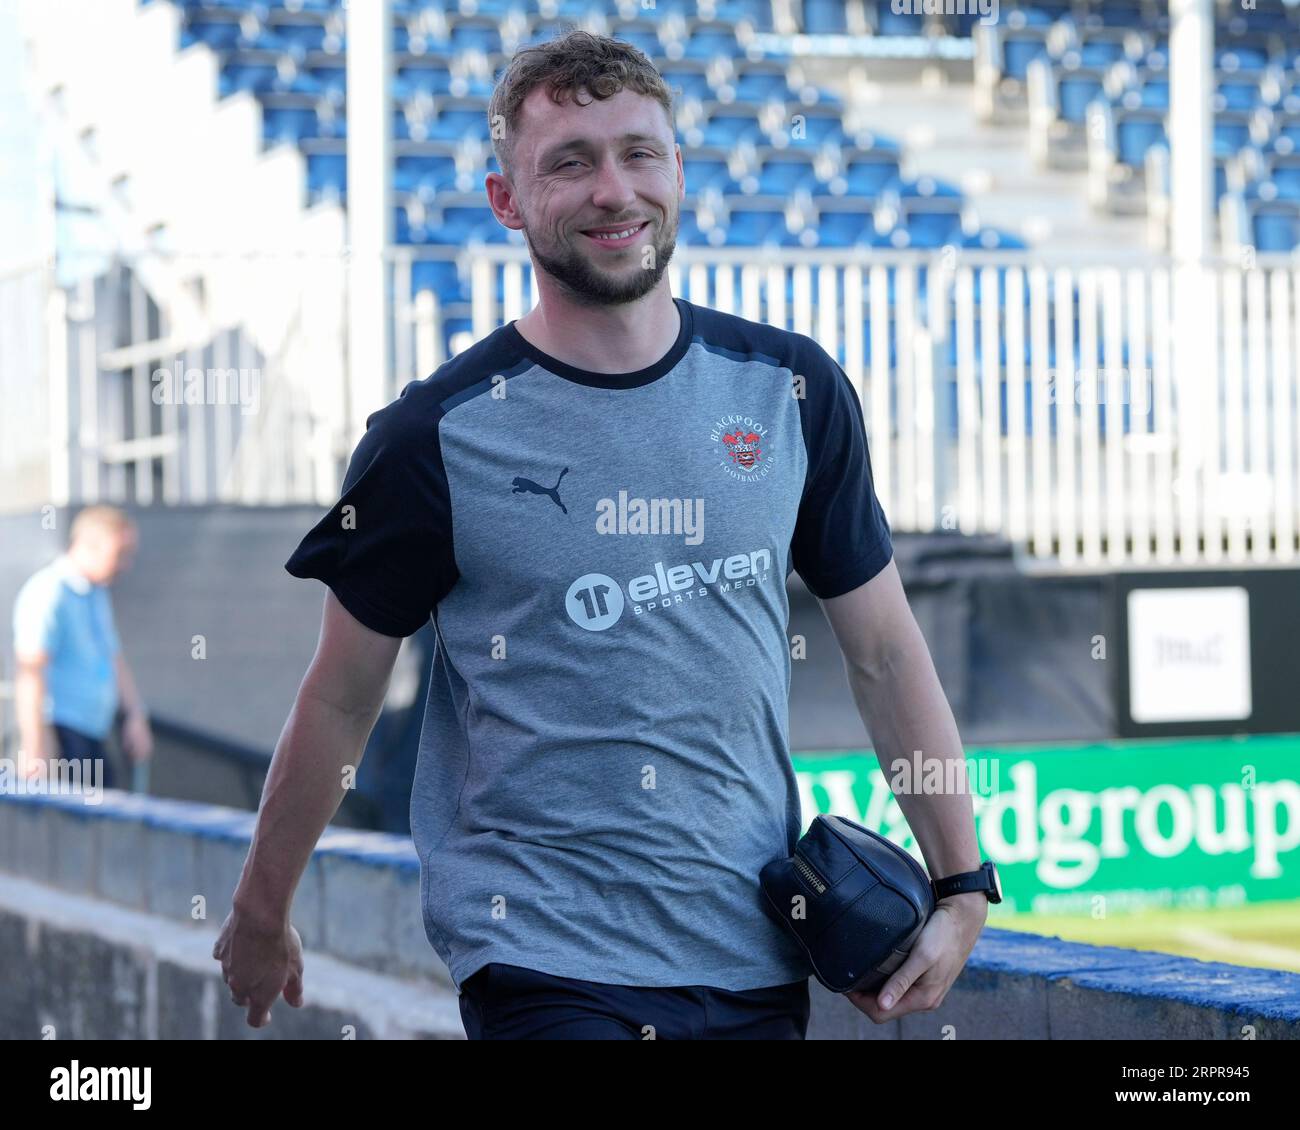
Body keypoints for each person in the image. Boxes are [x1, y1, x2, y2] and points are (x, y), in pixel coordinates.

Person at [213, 30, 988, 1040]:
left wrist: (961, 879)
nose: (612, 190)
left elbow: (884, 651)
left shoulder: (791, 390)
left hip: (751, 956)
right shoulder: (432, 436)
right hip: (541, 958)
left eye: (637, 154)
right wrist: (260, 910)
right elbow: (338, 698)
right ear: (506, 201)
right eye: (569, 163)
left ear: (679, 172)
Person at [12, 505, 153, 792]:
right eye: (119, 554)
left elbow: (113, 657)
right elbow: (30, 671)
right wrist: (36, 746)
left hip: (94, 734)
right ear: (90, 545)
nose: (125, 564)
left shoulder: (97, 593)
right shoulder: (48, 592)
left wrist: (135, 715)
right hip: (60, 737)